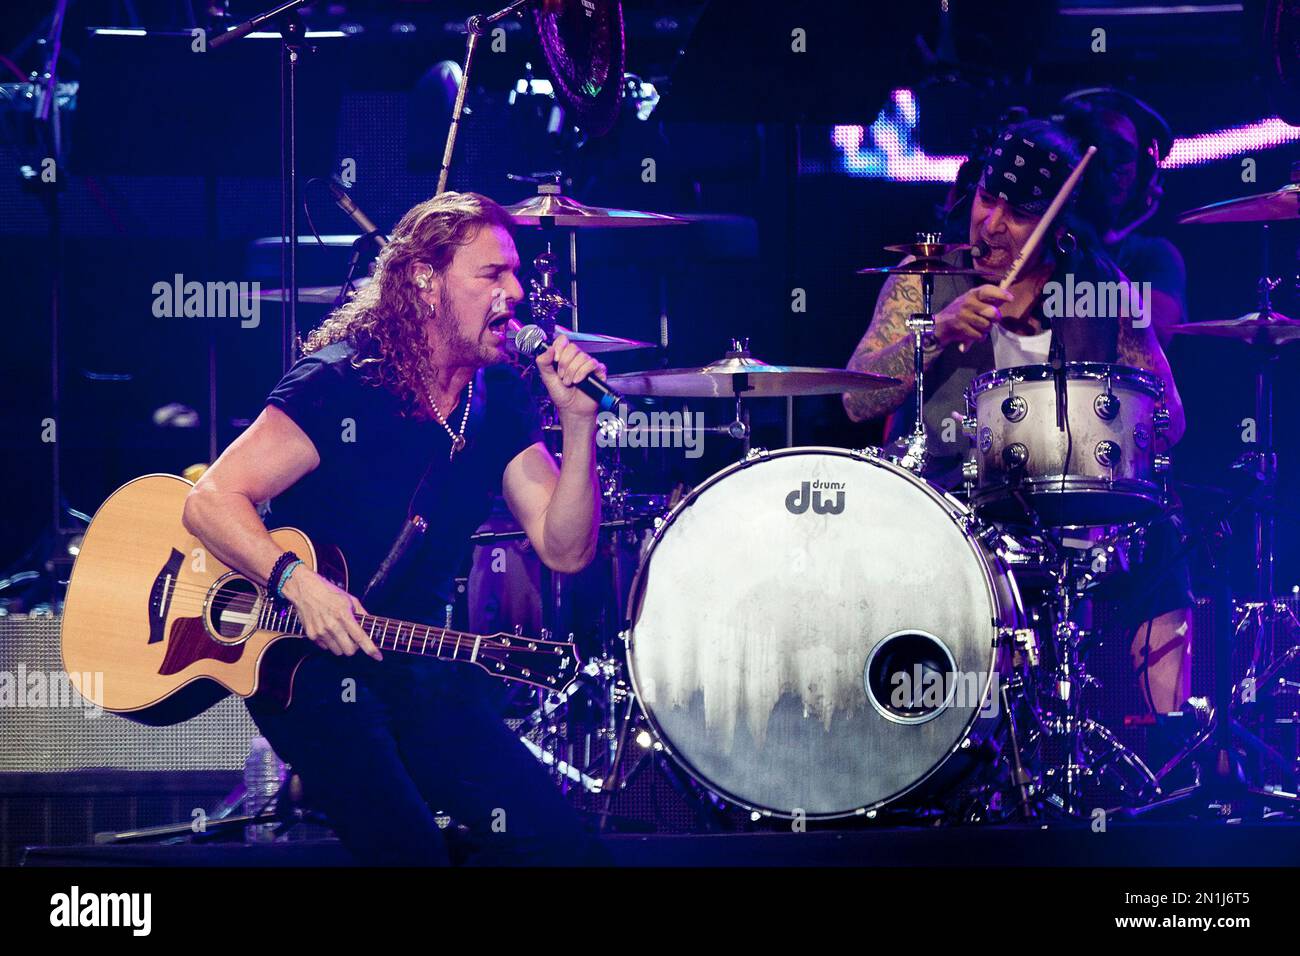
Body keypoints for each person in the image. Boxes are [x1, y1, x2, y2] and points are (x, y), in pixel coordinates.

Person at [182, 191, 610, 865]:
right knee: (409, 853)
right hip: (299, 662)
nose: (516, 292)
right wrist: (296, 582)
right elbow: (210, 501)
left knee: (557, 846)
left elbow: (565, 550)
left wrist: (580, 426)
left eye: (517, 274)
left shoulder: (496, 399)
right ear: (424, 280)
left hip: (414, 655)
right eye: (492, 274)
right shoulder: (342, 382)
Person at [843, 119, 1193, 717]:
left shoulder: (1096, 285)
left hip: (1068, 506)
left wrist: (1116, 434)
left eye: (1018, 213)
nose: (992, 223)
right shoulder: (924, 281)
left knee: (1163, 537)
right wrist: (939, 332)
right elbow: (857, 398)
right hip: (952, 503)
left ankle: (1168, 740)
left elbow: (1169, 417)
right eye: (987, 198)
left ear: (1054, 226)